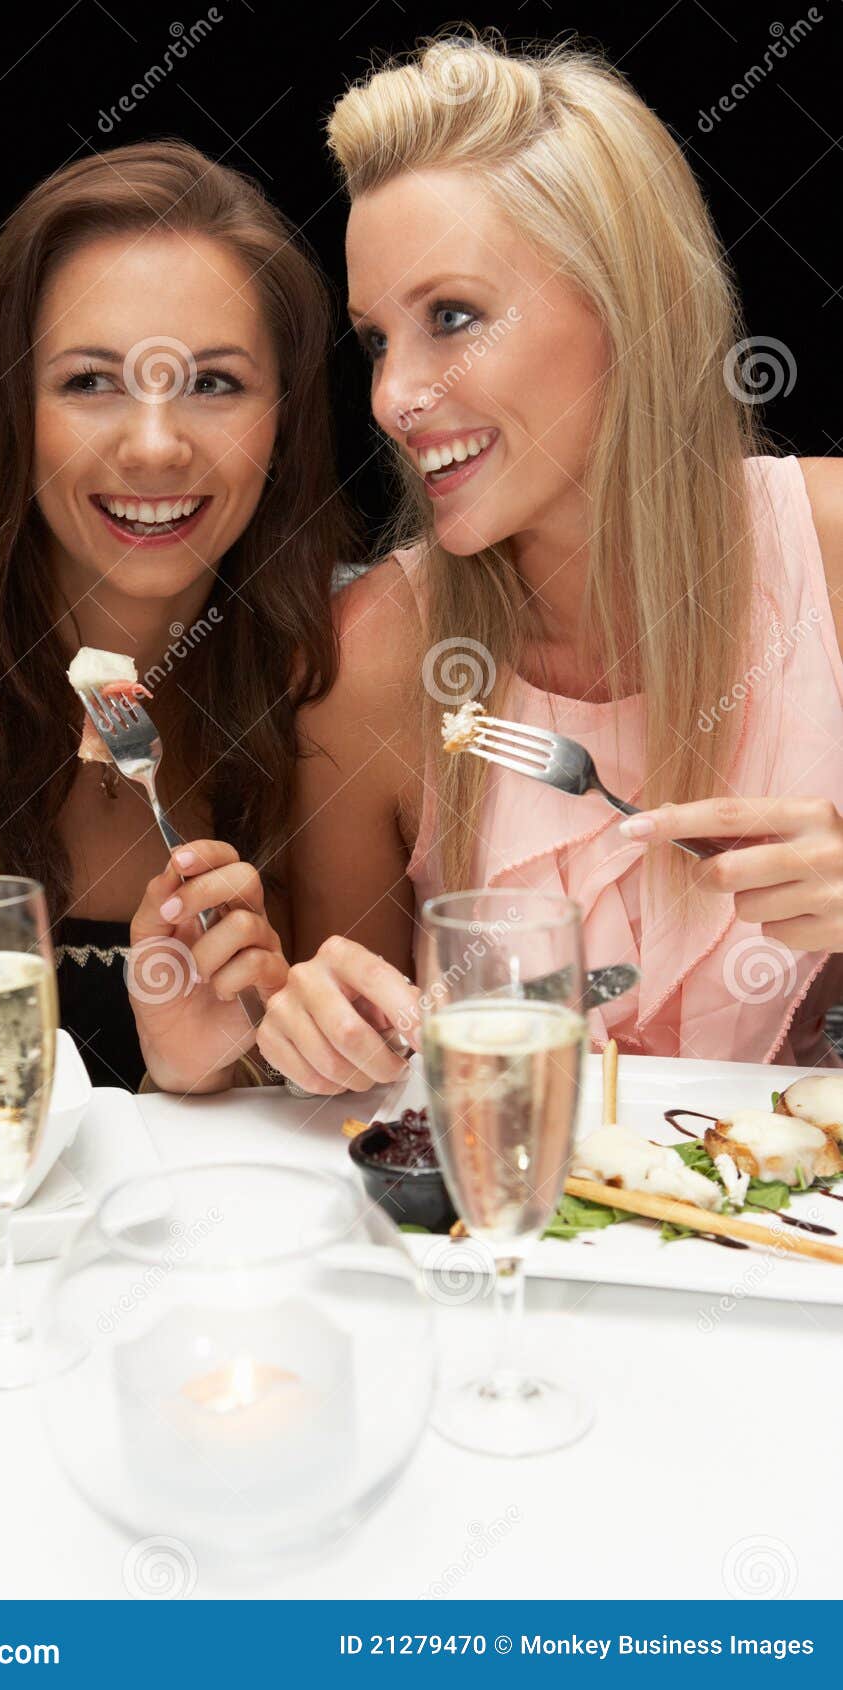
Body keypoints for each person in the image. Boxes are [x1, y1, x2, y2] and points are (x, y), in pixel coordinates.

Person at [257, 33, 843, 1094]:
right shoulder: (372, 665)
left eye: (450, 317)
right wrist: (313, 1038)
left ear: (627, 302)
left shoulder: (831, 558)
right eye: (376, 338)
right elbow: (355, 1111)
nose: (392, 396)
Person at [0, 141, 356, 1093]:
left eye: (214, 384)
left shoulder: (329, 705)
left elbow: (343, 1132)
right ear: (12, 409)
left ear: (285, 419)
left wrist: (208, 1071)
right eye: (91, 381)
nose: (157, 447)